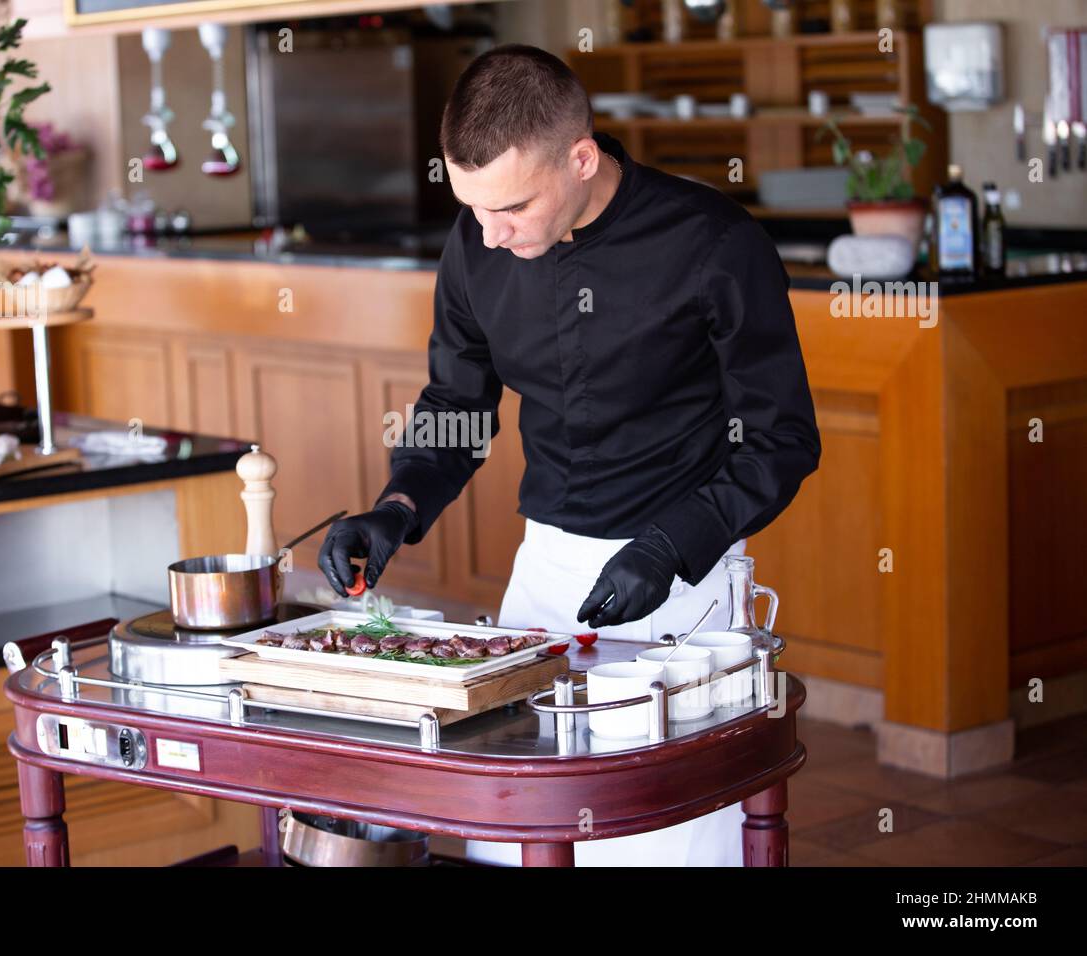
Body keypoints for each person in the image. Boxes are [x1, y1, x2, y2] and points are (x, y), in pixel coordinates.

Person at [318, 44, 820, 866]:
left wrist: (671, 544)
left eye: (509, 207)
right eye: (472, 207)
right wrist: (397, 508)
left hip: (684, 591)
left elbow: (781, 440)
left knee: (665, 842)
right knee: (514, 836)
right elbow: (457, 405)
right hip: (545, 573)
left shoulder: (713, 242)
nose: (487, 231)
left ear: (581, 159)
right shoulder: (479, 240)